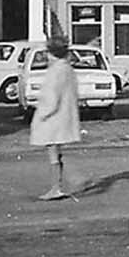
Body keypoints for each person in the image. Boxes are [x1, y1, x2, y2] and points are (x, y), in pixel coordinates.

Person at [31, 37, 82, 200]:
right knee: (56, 152)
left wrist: (41, 115)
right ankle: (57, 186)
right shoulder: (68, 69)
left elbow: (51, 98)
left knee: (53, 152)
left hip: (53, 117)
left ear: (51, 53)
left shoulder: (55, 71)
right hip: (64, 116)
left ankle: (56, 188)